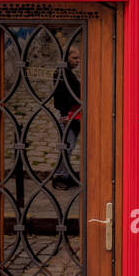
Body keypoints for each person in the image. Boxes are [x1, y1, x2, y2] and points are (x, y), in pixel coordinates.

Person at [52, 41, 82, 189]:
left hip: (73, 115)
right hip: (67, 117)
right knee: (66, 146)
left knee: (69, 146)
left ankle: (66, 175)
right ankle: (59, 178)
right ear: (66, 57)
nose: (78, 61)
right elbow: (61, 97)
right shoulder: (61, 74)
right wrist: (65, 116)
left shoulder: (67, 73)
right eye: (75, 58)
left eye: (78, 59)